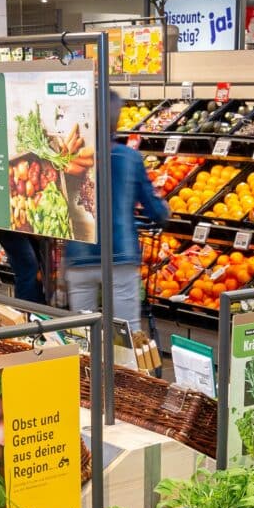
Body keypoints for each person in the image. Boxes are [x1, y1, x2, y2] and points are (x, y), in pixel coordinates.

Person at [62, 91, 168, 334]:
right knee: (126, 333)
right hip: (120, 257)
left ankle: (85, 371)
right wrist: (165, 213)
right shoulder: (128, 158)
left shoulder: (70, 160)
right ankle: (124, 372)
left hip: (79, 256)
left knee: (83, 334)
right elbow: (155, 210)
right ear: (116, 120)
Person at [0, 230, 46, 305]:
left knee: (35, 269)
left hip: (23, 228)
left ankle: (37, 309)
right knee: (29, 269)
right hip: (12, 227)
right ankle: (26, 311)